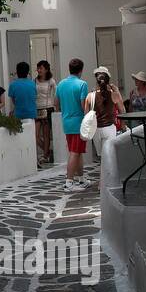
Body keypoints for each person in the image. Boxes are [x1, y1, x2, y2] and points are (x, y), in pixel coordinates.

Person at [56, 58, 90, 192]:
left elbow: (56, 103)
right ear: (81, 70)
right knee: (75, 152)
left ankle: (81, 178)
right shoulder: (82, 84)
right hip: (78, 123)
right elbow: (84, 106)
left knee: (78, 151)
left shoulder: (61, 84)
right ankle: (69, 182)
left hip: (67, 122)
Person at [87, 67, 126, 172]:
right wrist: (123, 125)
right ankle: (111, 180)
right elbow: (122, 110)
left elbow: (86, 115)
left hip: (96, 129)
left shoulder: (91, 95)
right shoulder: (114, 93)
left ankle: (102, 182)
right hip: (109, 127)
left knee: (102, 159)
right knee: (110, 157)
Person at [34, 59, 56, 166]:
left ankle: (45, 155)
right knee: (35, 135)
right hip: (37, 108)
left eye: (41, 68)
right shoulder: (35, 81)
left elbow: (56, 94)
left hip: (48, 108)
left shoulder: (51, 81)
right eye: (38, 68)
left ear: (46, 69)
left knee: (46, 134)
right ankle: (48, 151)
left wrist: (56, 106)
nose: (39, 70)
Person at [8, 62, 38, 132]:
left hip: (18, 114)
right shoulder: (33, 83)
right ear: (27, 72)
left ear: (17, 72)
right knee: (31, 136)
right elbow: (34, 97)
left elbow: (14, 101)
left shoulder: (13, 85)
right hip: (31, 114)